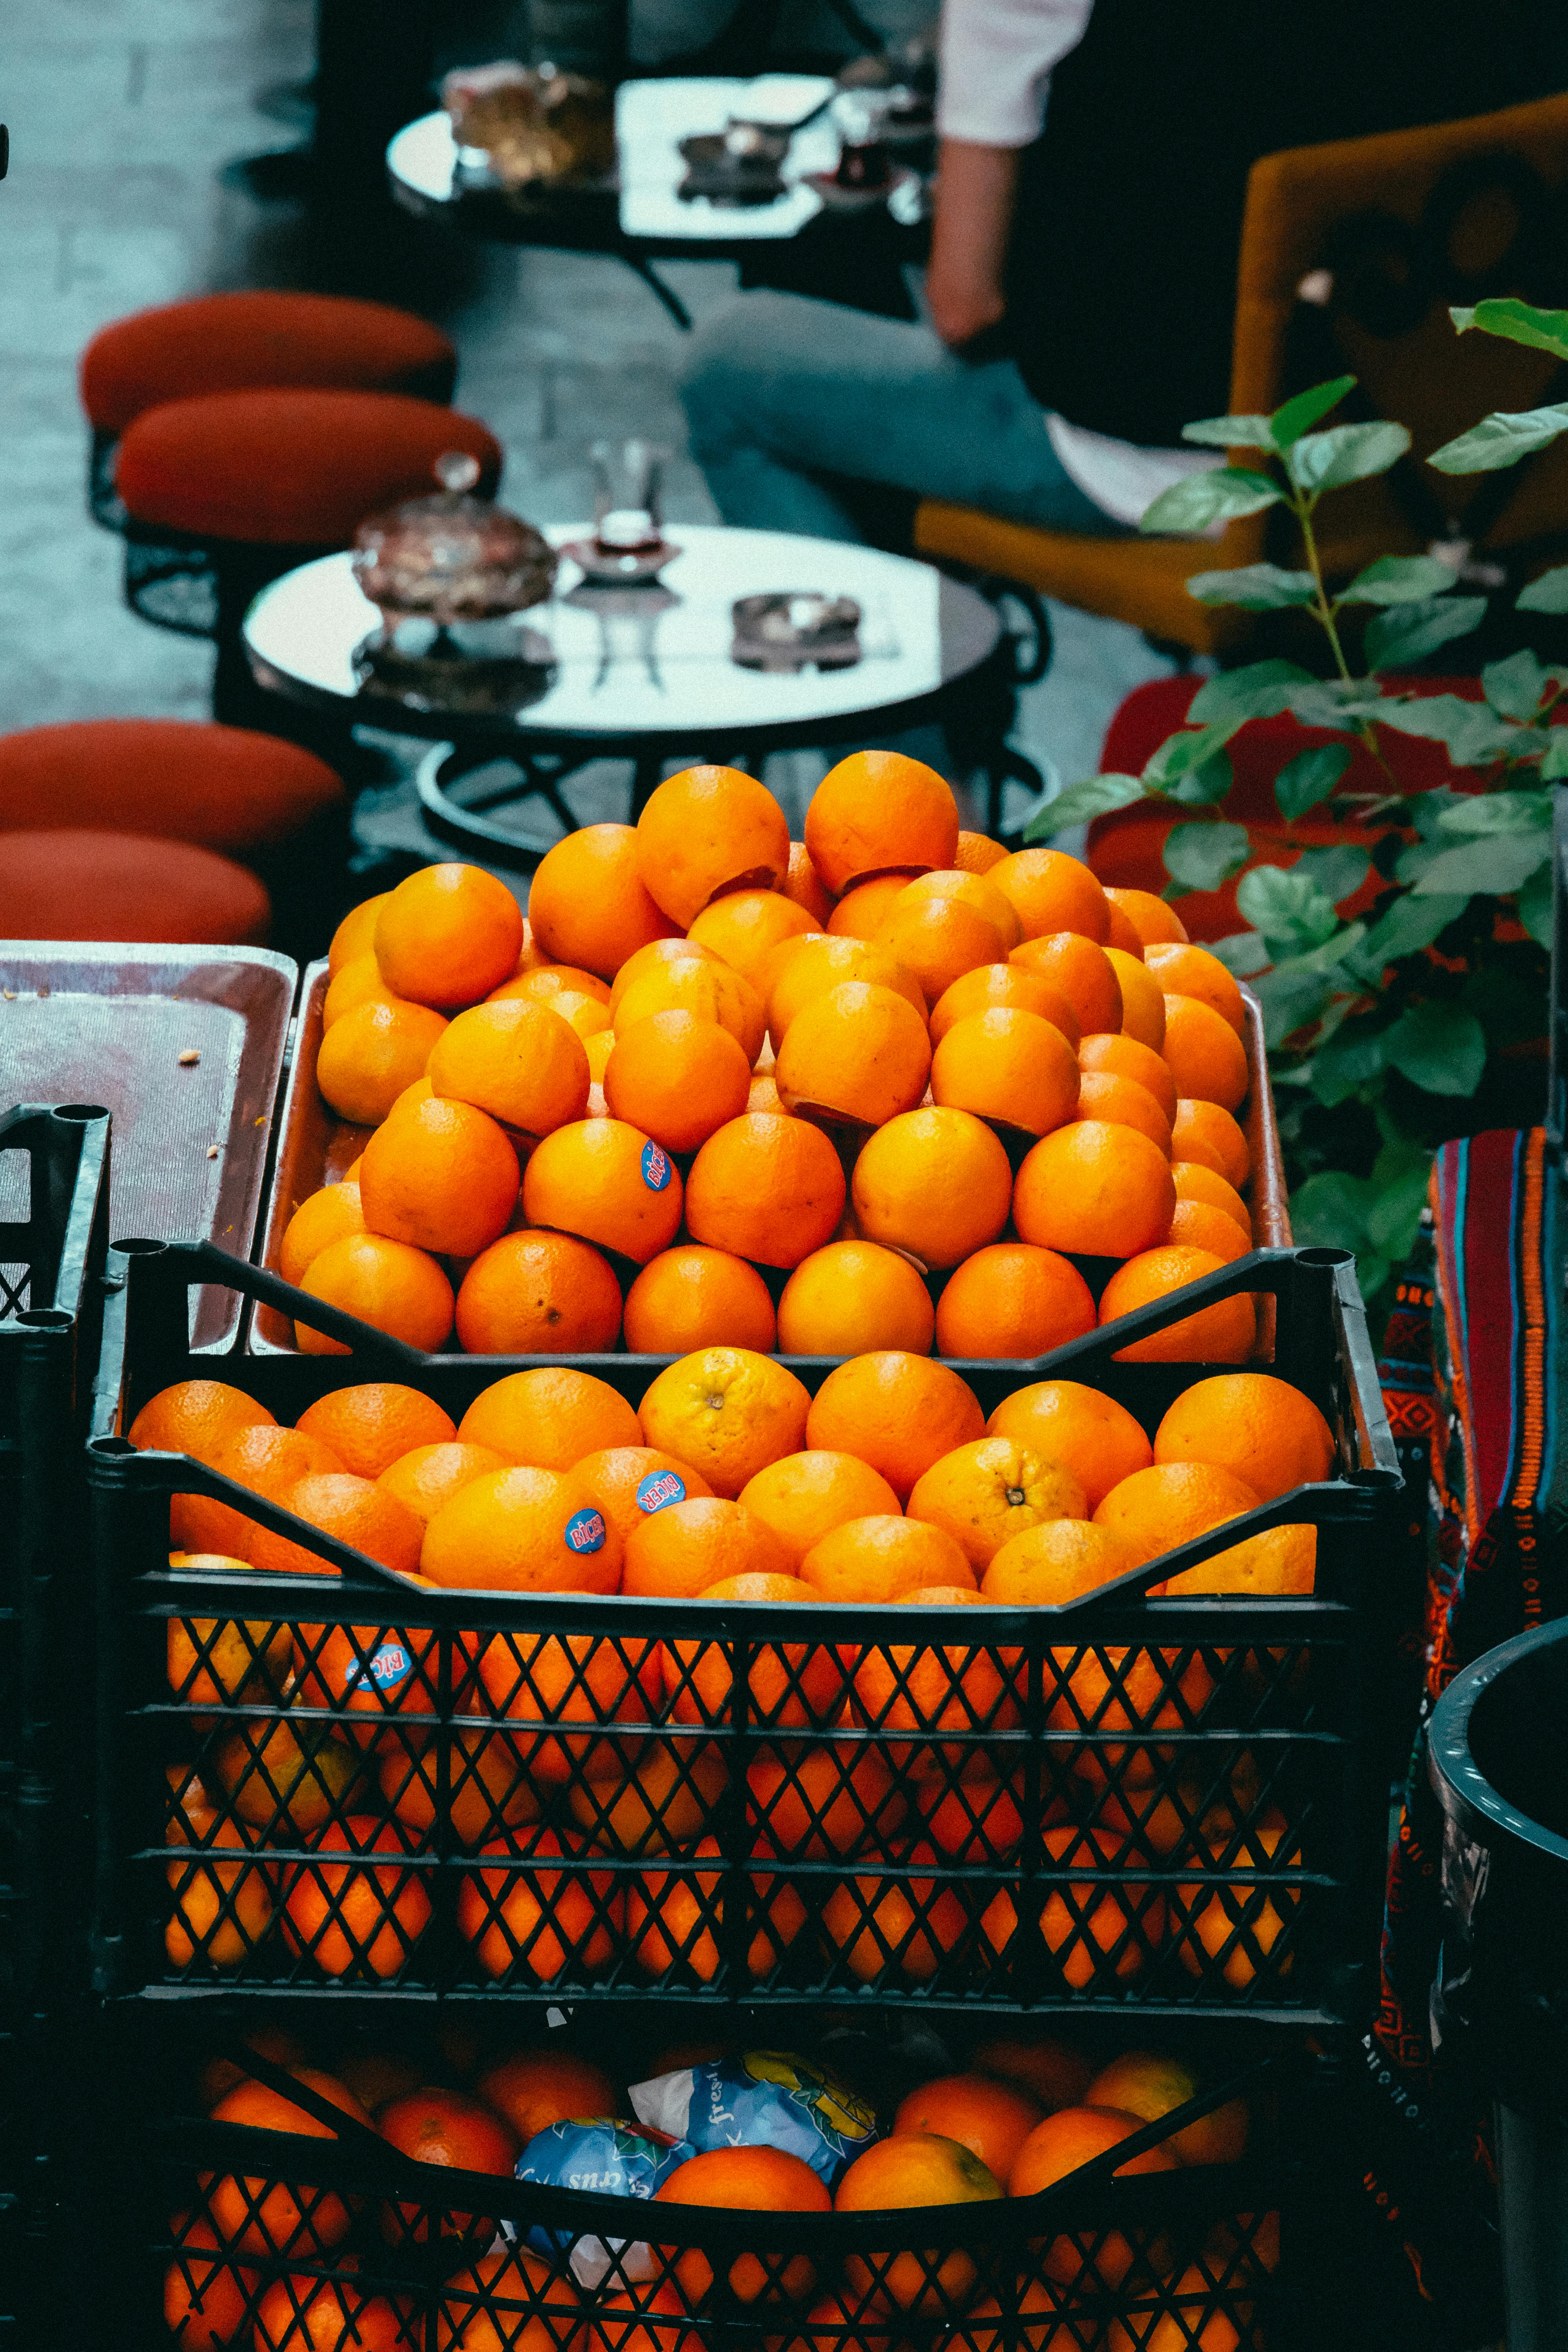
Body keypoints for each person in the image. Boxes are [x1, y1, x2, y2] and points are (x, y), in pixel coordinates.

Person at [678, 0, 1566, 544]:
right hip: (1475, 459)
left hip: (1194, 468)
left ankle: (904, 829)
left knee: (734, 362)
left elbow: (965, 306)